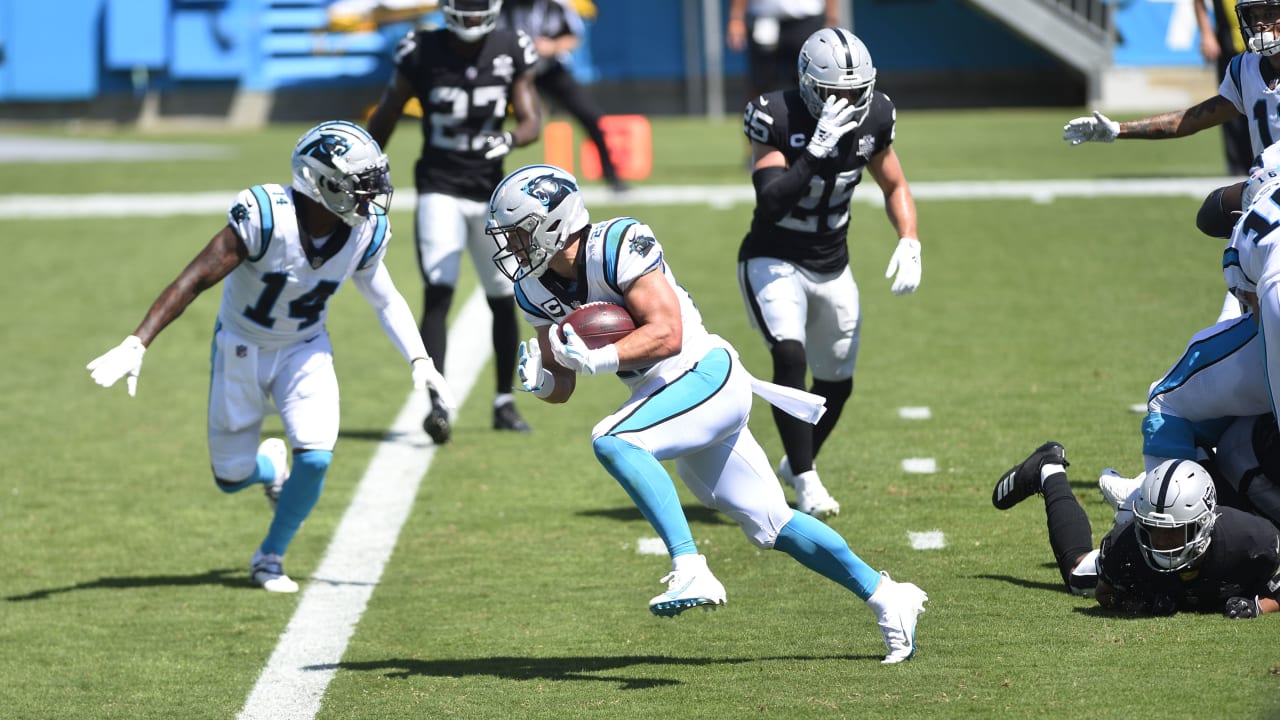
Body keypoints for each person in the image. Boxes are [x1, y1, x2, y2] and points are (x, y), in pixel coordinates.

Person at [486, 163, 928, 663]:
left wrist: (601, 358)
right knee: (772, 523)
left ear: (553, 223)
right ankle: (889, 597)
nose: (512, 247)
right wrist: (543, 381)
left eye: (518, 233)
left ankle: (690, 565)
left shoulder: (617, 243)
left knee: (614, 439)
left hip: (703, 373)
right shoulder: (534, 288)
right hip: (661, 397)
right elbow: (562, 383)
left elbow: (668, 334)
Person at [86, 121, 456, 593]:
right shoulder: (266, 217)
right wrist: (138, 341)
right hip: (240, 347)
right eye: (359, 185)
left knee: (317, 456)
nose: (371, 196)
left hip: (304, 347)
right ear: (322, 183)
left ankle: (270, 556)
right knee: (230, 477)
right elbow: (194, 279)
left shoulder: (363, 232)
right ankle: (269, 469)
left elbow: (385, 300)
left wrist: (420, 360)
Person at [737, 27, 922, 518]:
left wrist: (909, 238)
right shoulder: (776, 115)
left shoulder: (876, 115)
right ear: (807, 84)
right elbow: (771, 202)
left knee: (837, 383)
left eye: (855, 91)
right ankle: (806, 479)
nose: (846, 102)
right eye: (834, 92)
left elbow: (894, 183)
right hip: (772, 256)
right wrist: (814, 151)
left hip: (832, 262)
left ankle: (797, 460)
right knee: (789, 355)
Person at [367, 0, 541, 443]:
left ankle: (504, 400)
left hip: (491, 192)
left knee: (503, 296)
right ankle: (437, 403)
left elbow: (532, 122)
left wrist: (509, 138)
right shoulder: (420, 49)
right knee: (439, 291)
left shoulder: (511, 46)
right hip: (438, 186)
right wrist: (364, 159)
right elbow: (389, 110)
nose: (471, 13)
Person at [993, 445, 1280, 618]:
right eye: (1153, 529)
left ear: (1203, 524)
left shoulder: (1253, 540)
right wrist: (1139, 602)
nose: (1161, 543)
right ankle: (1050, 469)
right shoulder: (1128, 545)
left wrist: (1260, 607)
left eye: (1173, 532)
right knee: (1078, 576)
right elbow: (1105, 594)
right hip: (1139, 531)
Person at [1064, 0, 1280, 160]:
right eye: (1255, 16)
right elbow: (1189, 120)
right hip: (1267, 187)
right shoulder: (1244, 68)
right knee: (1215, 205)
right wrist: (1118, 129)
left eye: (1270, 14)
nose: (1260, 24)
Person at [497, 0, 628, 193]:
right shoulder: (501, 6)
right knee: (489, 117)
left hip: (549, 69)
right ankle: (485, 175)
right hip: (512, 71)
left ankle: (611, 175)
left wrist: (552, 46)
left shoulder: (556, 5)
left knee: (590, 116)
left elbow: (574, 37)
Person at [726, 0, 840, 105]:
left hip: (807, 19)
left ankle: (815, 120)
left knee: (812, 81)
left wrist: (831, 17)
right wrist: (736, 18)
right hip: (764, 18)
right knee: (759, 82)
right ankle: (753, 119)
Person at [1196, 0, 1254, 175]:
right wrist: (1206, 33)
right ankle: (1238, 171)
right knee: (1229, 106)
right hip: (1228, 43)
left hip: (1262, 43)